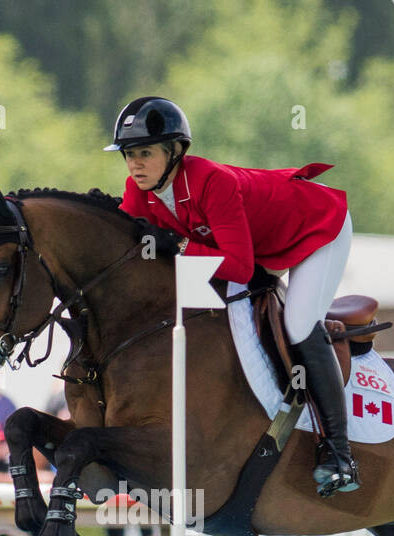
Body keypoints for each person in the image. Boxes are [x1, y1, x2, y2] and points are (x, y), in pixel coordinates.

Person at [107, 96, 357, 496]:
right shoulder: (139, 192)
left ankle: (339, 454)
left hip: (316, 227)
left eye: (145, 153)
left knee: (297, 322)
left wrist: (179, 245)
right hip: (264, 243)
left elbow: (238, 268)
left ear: (174, 152)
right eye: (129, 154)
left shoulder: (212, 182)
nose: (135, 164)